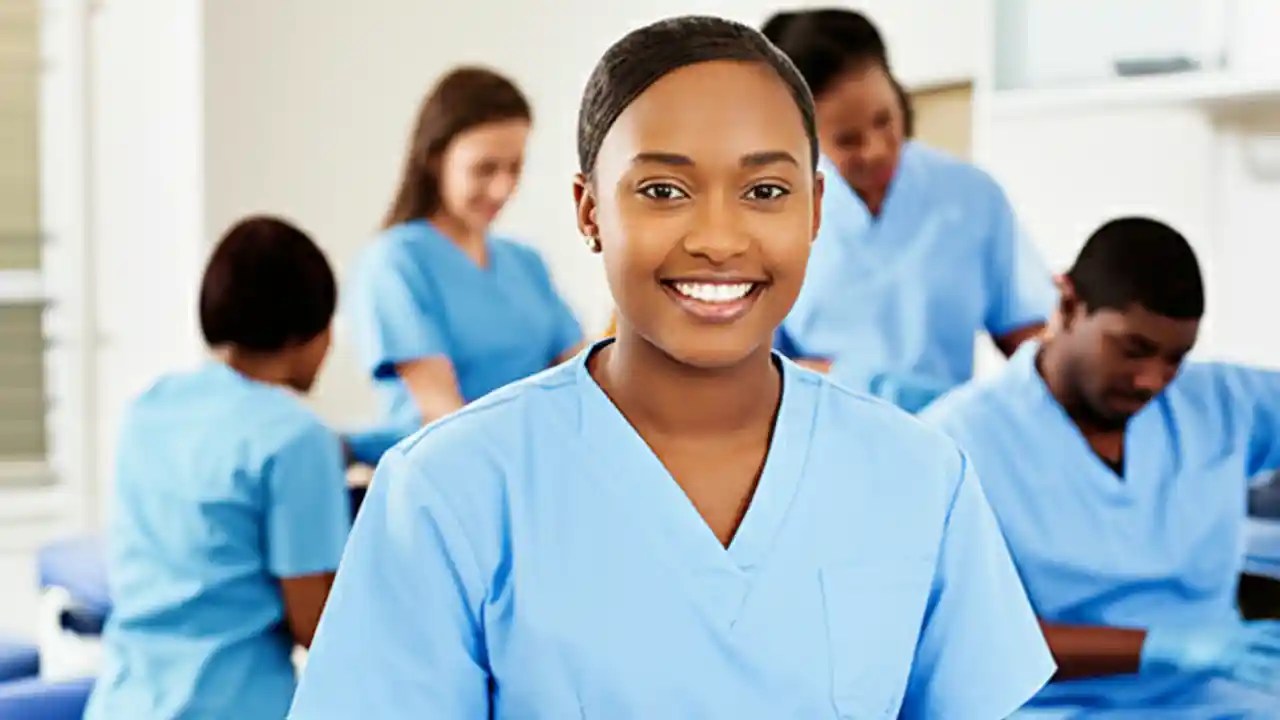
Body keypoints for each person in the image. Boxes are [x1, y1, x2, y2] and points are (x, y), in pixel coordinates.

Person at [289, 15, 1053, 719]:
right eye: (663, 190)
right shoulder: (448, 489)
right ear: (590, 210)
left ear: (815, 208)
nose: (718, 238)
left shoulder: (922, 477)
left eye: (765, 190)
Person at [922, 217, 1280, 716]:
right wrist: (1159, 646)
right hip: (1051, 707)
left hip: (1214, 698)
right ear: (1069, 305)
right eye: (1134, 350)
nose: (1153, 380)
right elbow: (960, 638)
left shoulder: (1219, 401)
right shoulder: (957, 441)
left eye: (1175, 358)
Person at [85, 217, 351, 720]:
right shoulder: (298, 437)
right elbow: (315, 625)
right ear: (305, 327)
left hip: (123, 702)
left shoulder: (150, 408)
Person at [762, 9, 1054, 412]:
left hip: (944, 432)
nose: (877, 149)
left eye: (885, 120)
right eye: (848, 140)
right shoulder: (771, 213)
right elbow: (751, 367)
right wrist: (854, 383)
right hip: (819, 427)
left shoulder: (970, 197)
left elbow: (1027, 337)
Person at [346, 67, 583, 463]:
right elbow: (444, 417)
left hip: (538, 466)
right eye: (484, 169)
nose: (502, 188)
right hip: (451, 474)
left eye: (514, 168)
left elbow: (585, 380)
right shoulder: (396, 262)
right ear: (435, 157)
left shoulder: (525, 263)